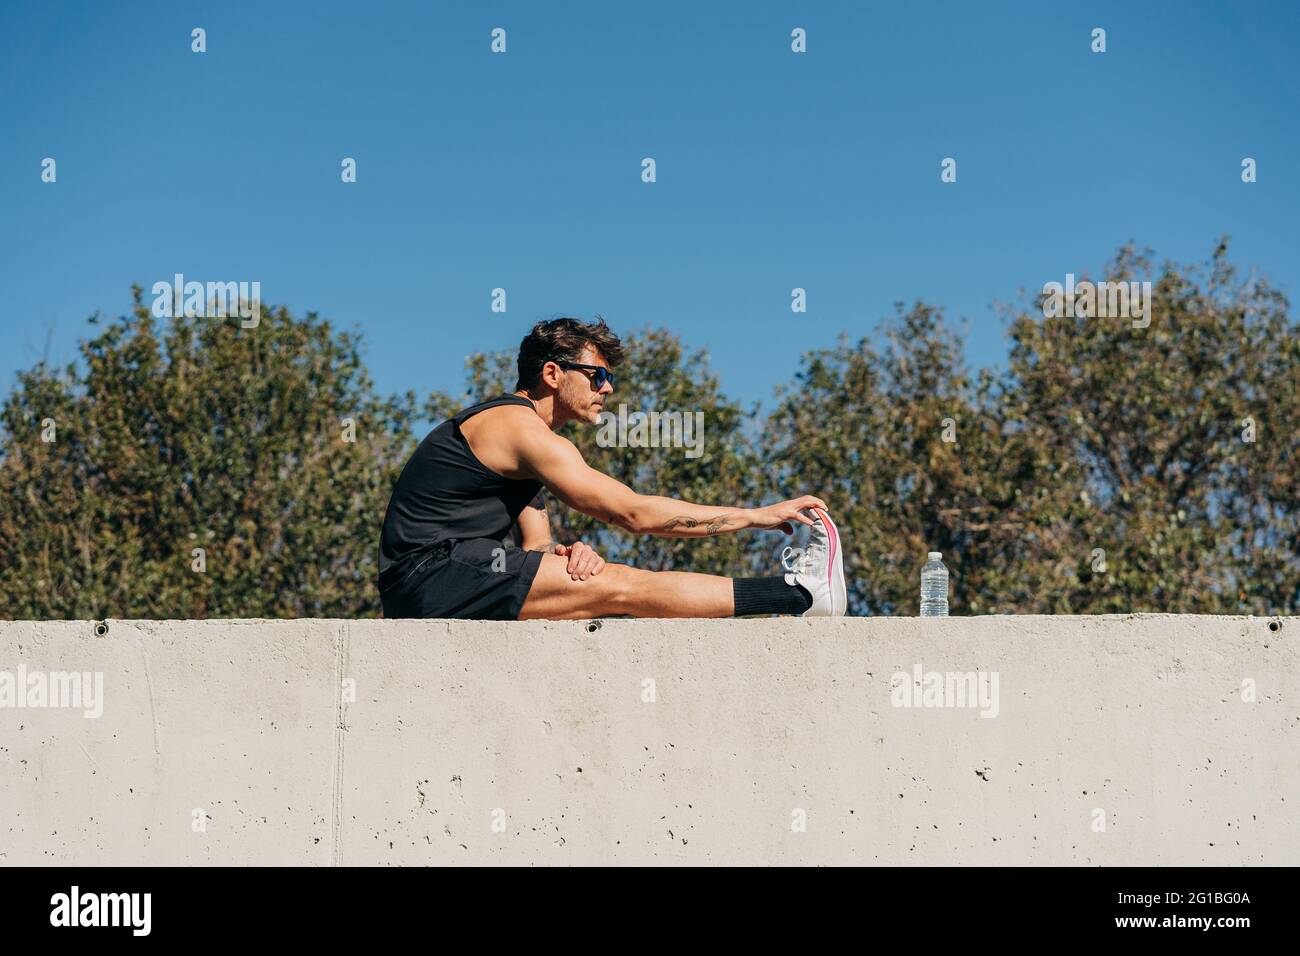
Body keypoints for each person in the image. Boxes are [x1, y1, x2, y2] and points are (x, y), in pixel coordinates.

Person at [377, 317, 846, 620]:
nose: (607, 389)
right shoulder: (519, 430)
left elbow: (536, 543)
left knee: (594, 594)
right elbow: (633, 515)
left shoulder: (523, 447)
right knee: (620, 586)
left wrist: (566, 554)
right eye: (597, 376)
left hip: (437, 578)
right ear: (552, 374)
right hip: (431, 576)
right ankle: (799, 595)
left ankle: (798, 600)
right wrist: (756, 516)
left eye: (610, 379)